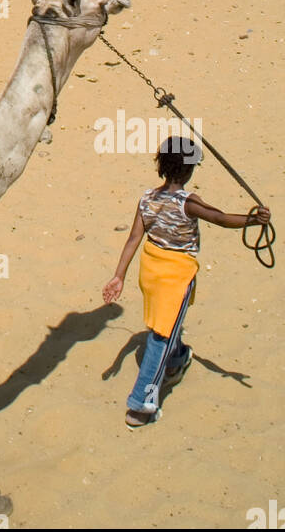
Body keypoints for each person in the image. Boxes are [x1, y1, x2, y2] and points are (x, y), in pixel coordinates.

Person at [102, 136, 271, 428]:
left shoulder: (147, 198)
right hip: (175, 278)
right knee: (160, 337)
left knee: (166, 323)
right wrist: (253, 220)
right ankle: (141, 404)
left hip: (151, 275)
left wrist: (119, 275)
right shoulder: (188, 202)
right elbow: (219, 218)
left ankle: (178, 359)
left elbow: (133, 239)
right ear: (190, 170)